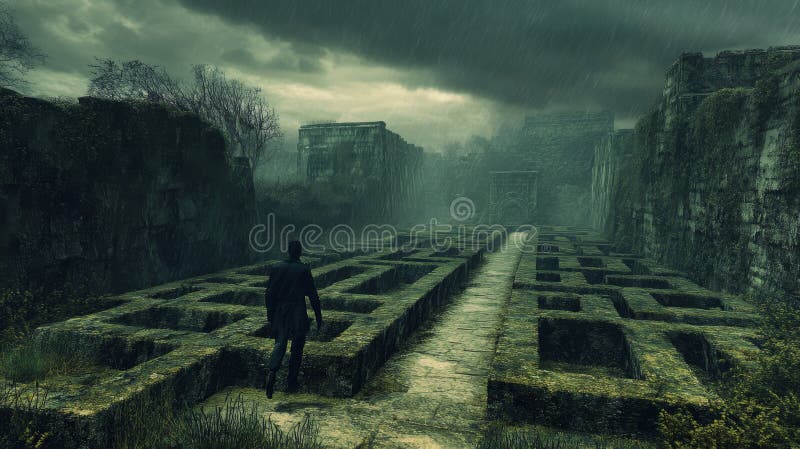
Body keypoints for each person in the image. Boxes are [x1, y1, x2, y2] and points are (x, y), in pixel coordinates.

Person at [264, 240, 323, 398]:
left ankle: (272, 371)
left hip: (281, 310)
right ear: (300, 252)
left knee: (280, 343)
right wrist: (318, 316)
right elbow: (313, 295)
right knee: (297, 347)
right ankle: (291, 381)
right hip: (297, 310)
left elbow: (269, 294)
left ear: (288, 251)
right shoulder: (303, 269)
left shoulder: (277, 268)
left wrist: (271, 314)